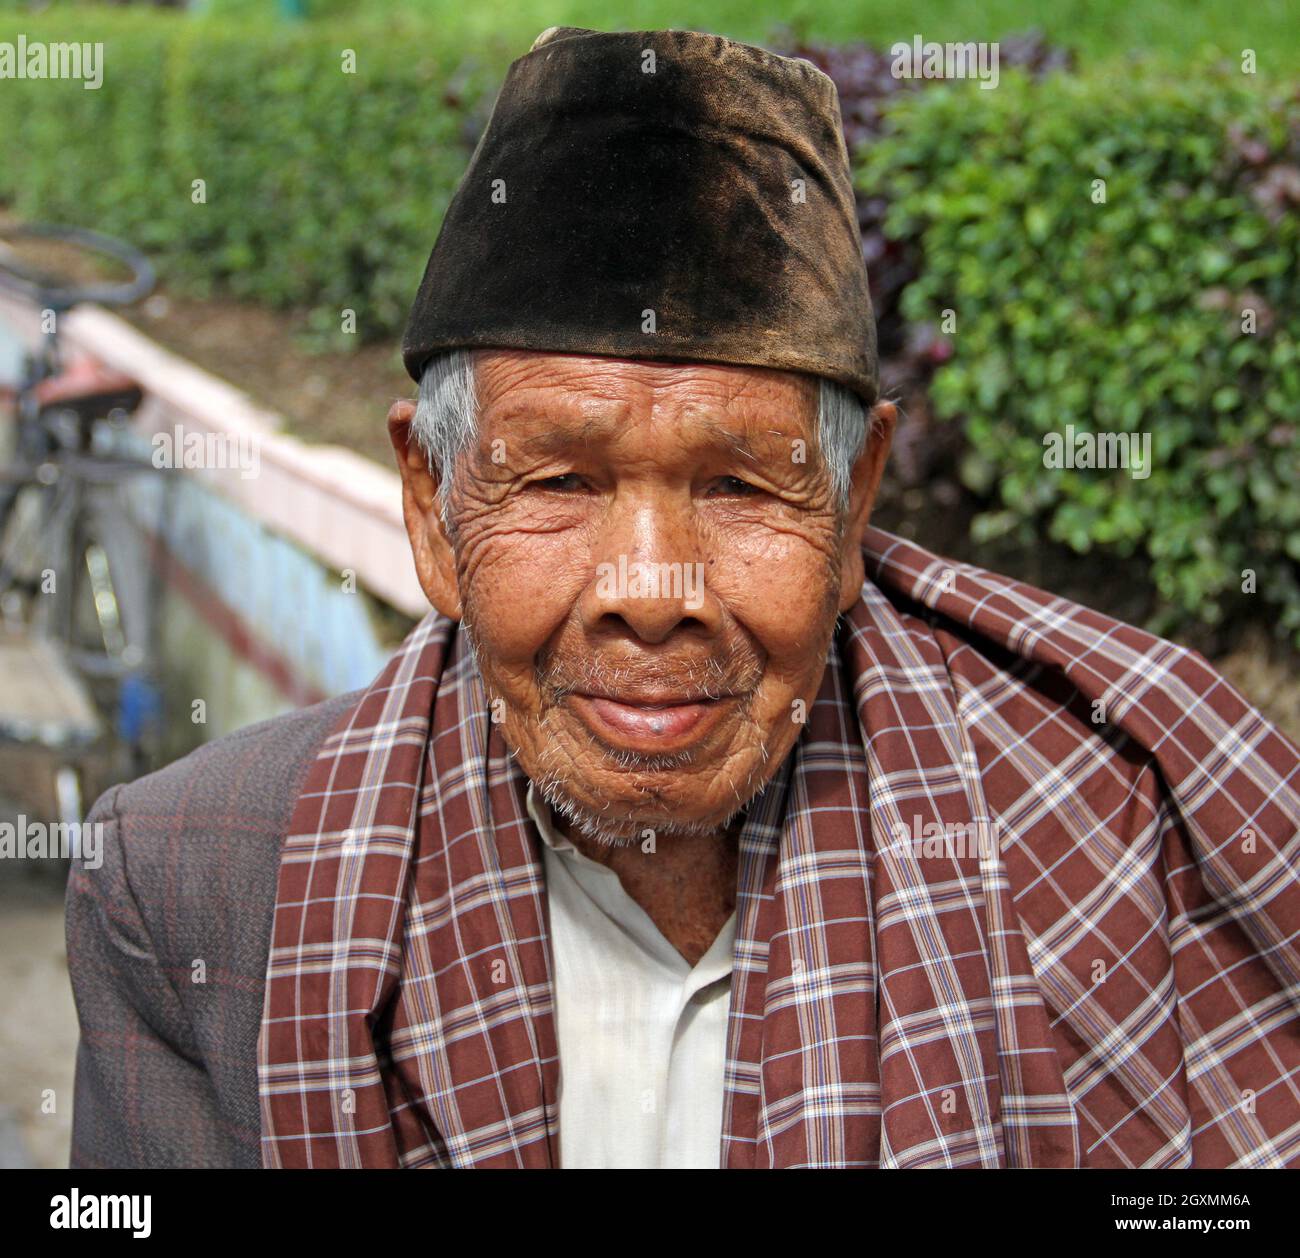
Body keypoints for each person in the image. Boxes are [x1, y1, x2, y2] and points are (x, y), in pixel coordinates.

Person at [67, 26, 1300, 1170]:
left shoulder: (1119, 831)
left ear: (854, 498)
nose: (651, 596)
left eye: (738, 486)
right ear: (430, 505)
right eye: (559, 478)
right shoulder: (191, 886)